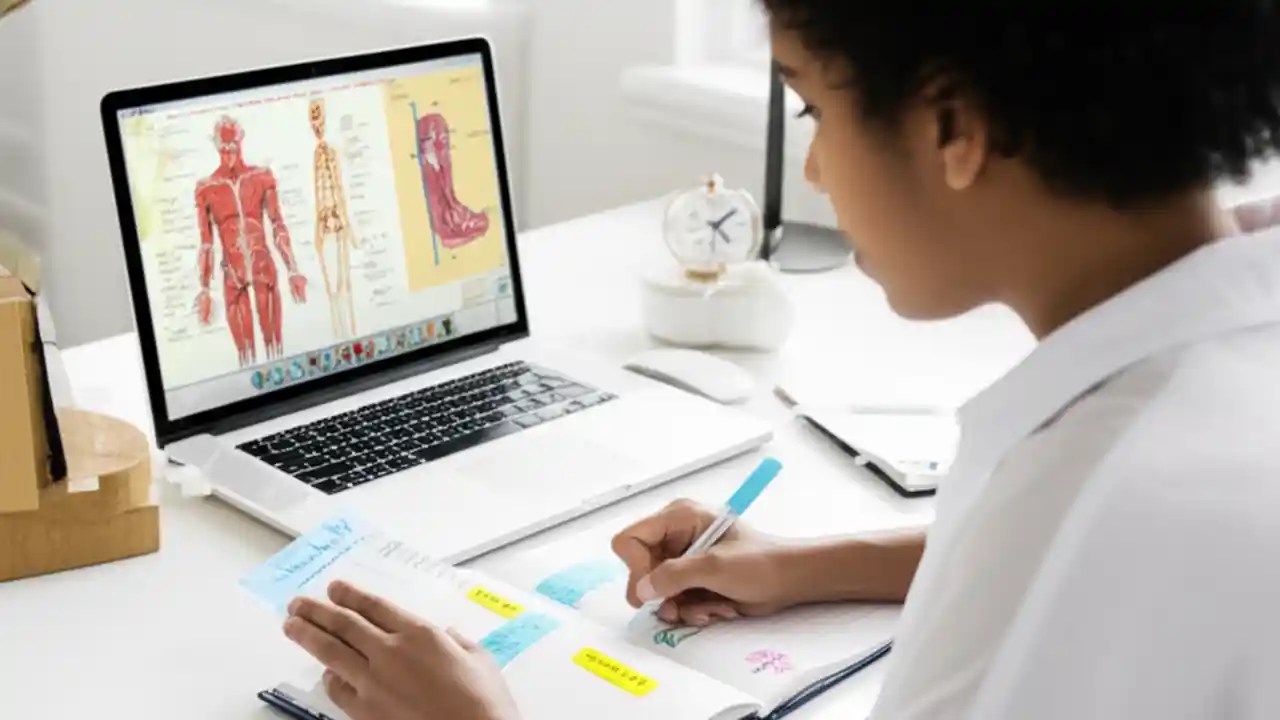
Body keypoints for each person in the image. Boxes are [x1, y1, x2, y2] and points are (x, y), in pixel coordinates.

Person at [279, 2, 1280, 718]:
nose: (810, 169)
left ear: (952, 127)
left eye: (809, 109)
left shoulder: (1127, 507)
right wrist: (811, 564)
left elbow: (1079, 557)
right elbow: (1059, 568)